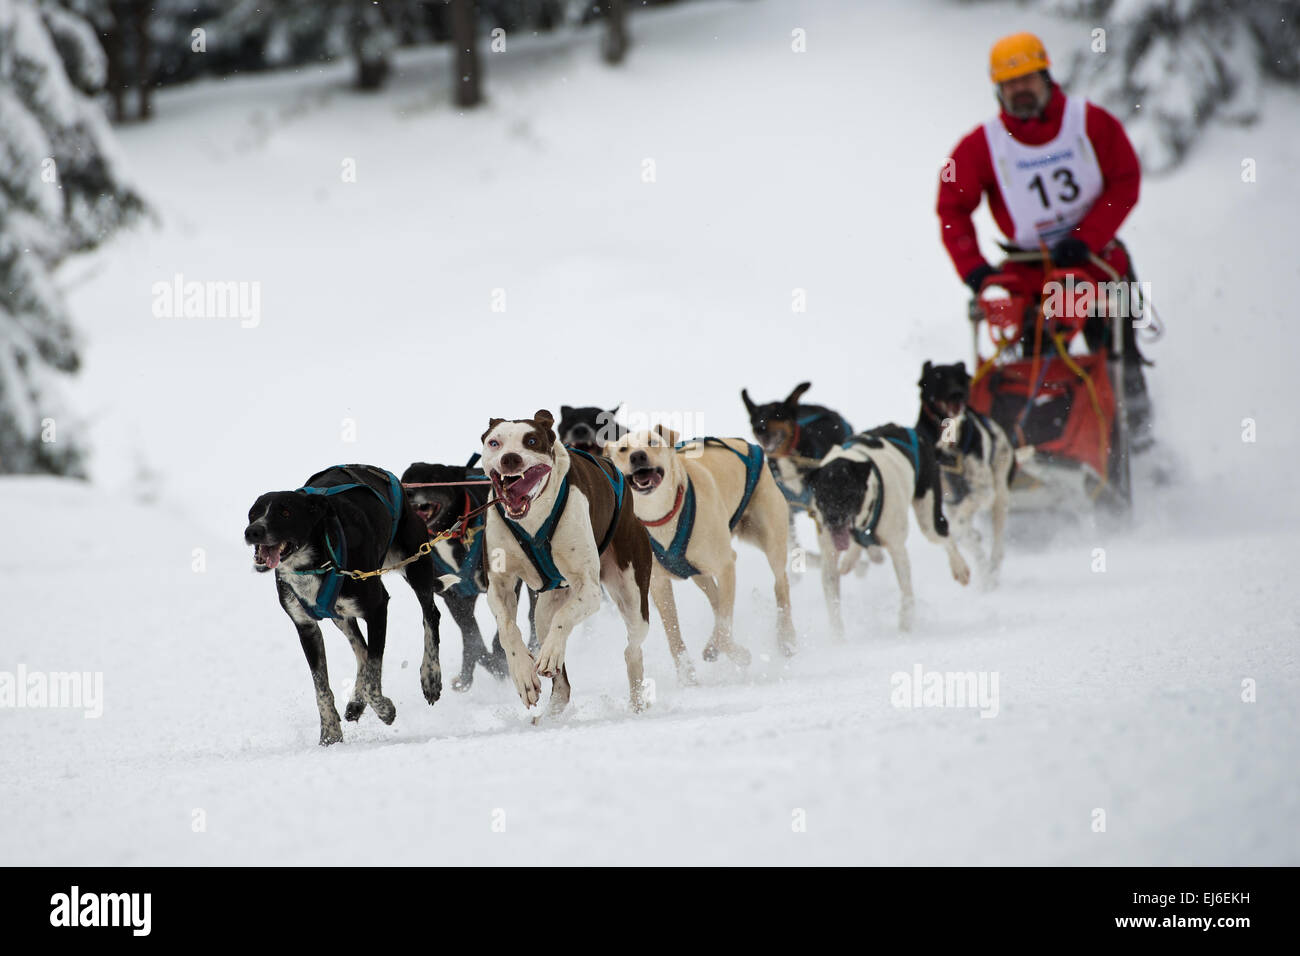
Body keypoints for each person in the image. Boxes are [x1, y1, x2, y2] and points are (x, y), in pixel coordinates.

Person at [937, 32, 1153, 443]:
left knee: (1121, 353)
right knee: (1035, 366)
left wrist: (1087, 237)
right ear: (998, 89)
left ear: (1047, 77)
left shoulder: (1089, 121)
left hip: (1099, 263)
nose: (1020, 90)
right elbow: (952, 207)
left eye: (1027, 79)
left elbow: (1125, 180)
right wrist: (976, 272)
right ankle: (1051, 445)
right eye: (1009, 83)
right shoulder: (982, 145)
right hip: (1027, 272)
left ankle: (1139, 440)